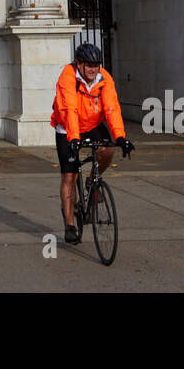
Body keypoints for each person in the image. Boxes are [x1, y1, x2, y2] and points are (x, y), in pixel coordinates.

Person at [52, 44, 133, 245]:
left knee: (108, 149)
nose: (93, 70)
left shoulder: (104, 78)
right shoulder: (67, 76)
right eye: (89, 66)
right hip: (67, 126)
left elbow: (112, 108)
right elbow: (69, 108)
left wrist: (121, 137)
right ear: (79, 64)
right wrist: (73, 137)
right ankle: (70, 225)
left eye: (96, 66)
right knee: (69, 176)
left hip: (92, 123)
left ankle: (91, 182)